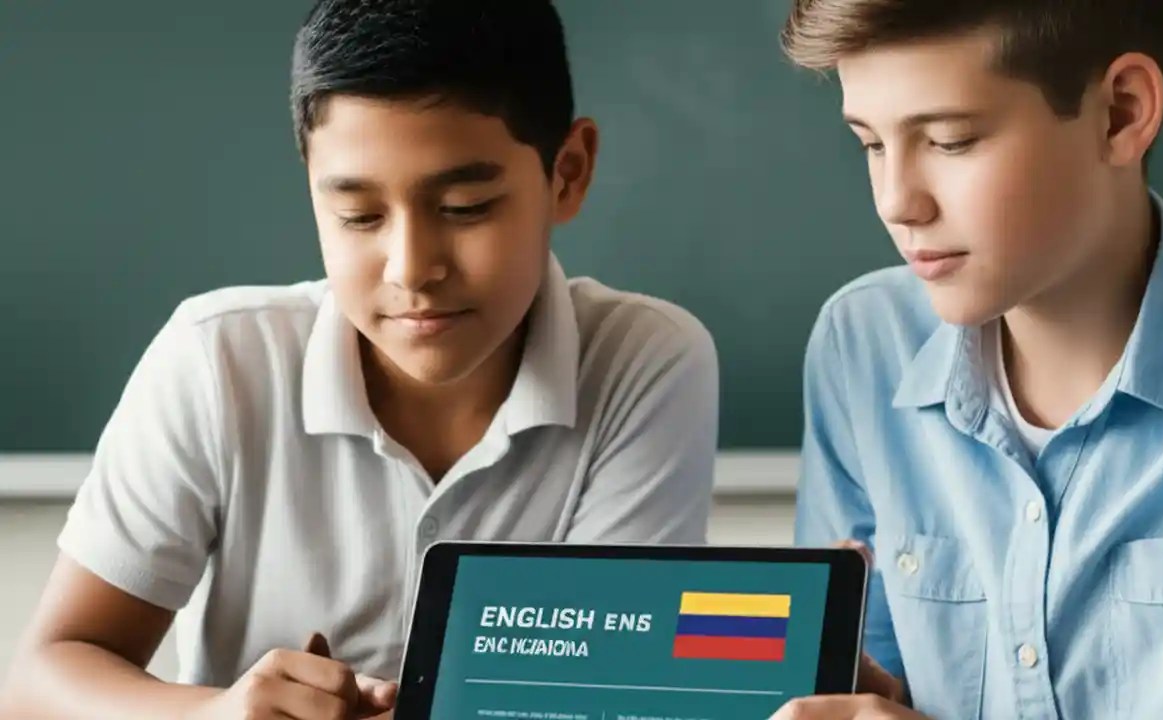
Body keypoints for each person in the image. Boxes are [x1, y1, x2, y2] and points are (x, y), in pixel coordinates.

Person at [0, 1, 719, 718]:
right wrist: (211, 715)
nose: (411, 269)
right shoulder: (217, 360)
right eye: (358, 217)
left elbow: (607, 697)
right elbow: (38, 681)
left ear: (567, 173)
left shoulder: (645, 362)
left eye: (466, 206)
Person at [773, 0, 1163, 718]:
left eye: (950, 141)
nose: (896, 203)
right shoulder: (863, 344)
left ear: (1121, 114)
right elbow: (873, 673)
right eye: (871, 145)